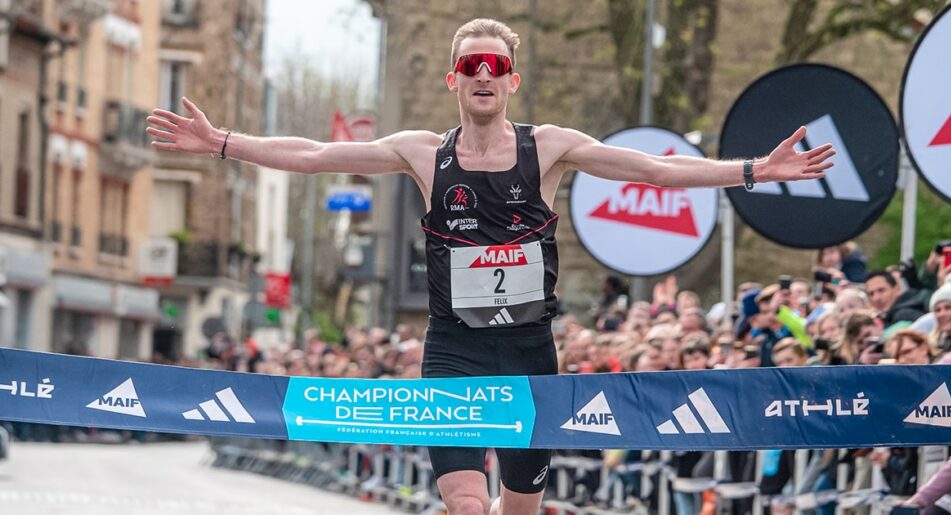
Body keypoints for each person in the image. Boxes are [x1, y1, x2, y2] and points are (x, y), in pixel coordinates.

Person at [146, 17, 835, 515]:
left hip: (530, 349)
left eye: (494, 67)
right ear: (453, 79)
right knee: (468, 504)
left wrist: (755, 170)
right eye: (470, 67)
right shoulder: (422, 152)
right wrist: (225, 143)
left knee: (517, 508)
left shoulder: (553, 148)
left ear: (512, 80)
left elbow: (656, 167)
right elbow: (315, 156)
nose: (482, 76)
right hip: (453, 350)